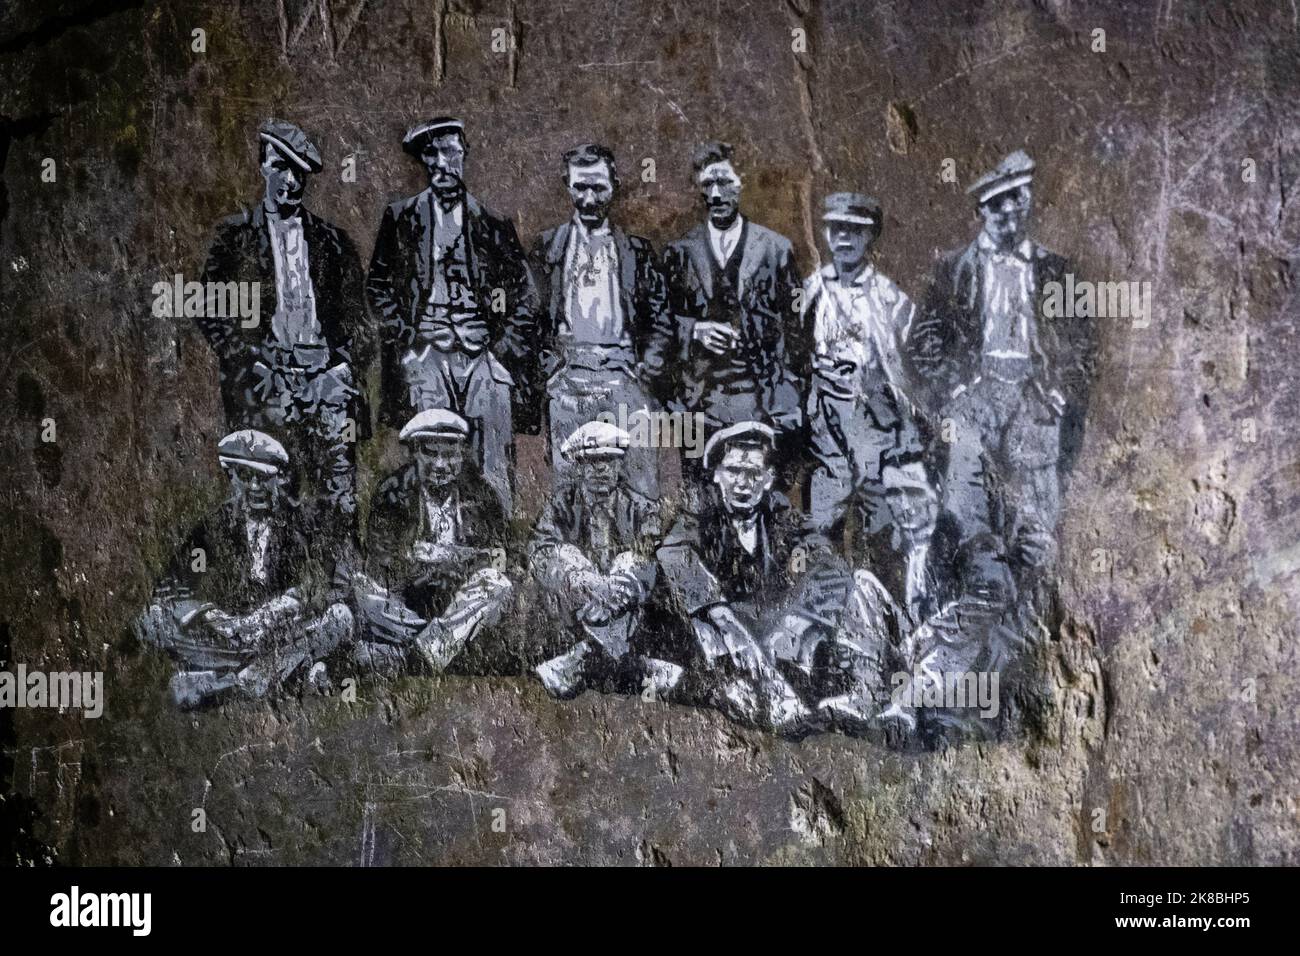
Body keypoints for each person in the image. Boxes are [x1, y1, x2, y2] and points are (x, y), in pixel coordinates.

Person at [909, 150, 1098, 556]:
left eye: (1017, 198)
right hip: (977, 392)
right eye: (997, 203)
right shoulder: (954, 268)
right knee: (964, 499)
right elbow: (923, 341)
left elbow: (1083, 342)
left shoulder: (1057, 270)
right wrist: (954, 391)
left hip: (1035, 391)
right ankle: (977, 585)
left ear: (1028, 201)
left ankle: (1033, 592)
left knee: (1037, 509)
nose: (1008, 211)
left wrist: (1061, 392)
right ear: (980, 210)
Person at [197, 119, 368, 535]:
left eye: (298, 172)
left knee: (338, 493)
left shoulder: (332, 242)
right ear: (262, 168)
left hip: (324, 380)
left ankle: (339, 587)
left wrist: (340, 370)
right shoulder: (234, 239)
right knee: (270, 497)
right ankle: (271, 586)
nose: (289, 181)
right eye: (279, 167)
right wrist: (251, 365)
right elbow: (211, 313)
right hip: (266, 382)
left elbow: (359, 323)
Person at [366, 117, 539, 516]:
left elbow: (525, 296)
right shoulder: (402, 218)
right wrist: (408, 342)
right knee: (434, 447)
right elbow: (378, 288)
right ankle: (433, 538)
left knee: (493, 449)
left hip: (482, 355)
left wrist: (500, 351)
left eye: (450, 152)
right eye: (432, 153)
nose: (442, 162)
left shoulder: (493, 223)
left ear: (464, 154)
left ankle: (496, 543)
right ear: (423, 160)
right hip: (427, 353)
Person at [134, 430, 353, 708]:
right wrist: (209, 614)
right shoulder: (215, 525)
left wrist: (281, 608)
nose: (254, 487)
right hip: (229, 637)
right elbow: (172, 585)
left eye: (262, 478)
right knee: (154, 620)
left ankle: (236, 681)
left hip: (283, 634)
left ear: (280, 478)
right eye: (244, 477)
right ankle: (278, 672)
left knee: (340, 617)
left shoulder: (304, 522)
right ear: (232, 478)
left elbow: (331, 583)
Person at [656, 422, 851, 732]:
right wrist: (721, 615)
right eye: (733, 471)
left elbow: (828, 561)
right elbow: (674, 554)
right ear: (717, 474)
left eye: (753, 474)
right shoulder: (701, 512)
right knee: (705, 634)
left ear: (768, 479)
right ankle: (742, 695)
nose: (743, 484)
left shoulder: (781, 514)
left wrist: (795, 621)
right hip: (725, 635)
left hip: (773, 630)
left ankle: (788, 698)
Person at [529, 144, 674, 499]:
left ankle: (637, 551)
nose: (589, 199)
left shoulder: (636, 252)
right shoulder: (548, 248)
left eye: (599, 187)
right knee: (569, 483)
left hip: (624, 375)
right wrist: (550, 369)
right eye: (580, 187)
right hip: (568, 377)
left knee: (639, 482)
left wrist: (647, 367)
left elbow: (661, 319)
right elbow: (528, 318)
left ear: (616, 185)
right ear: (567, 186)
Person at [657, 142, 802, 485]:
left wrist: (788, 393)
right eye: (708, 185)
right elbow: (660, 322)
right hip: (701, 398)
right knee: (703, 494)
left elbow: (796, 329)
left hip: (760, 396)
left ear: (742, 182)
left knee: (758, 489)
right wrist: (694, 330)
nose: (717, 194)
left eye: (725, 182)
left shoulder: (776, 249)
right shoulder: (679, 251)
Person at [352, 409, 513, 675]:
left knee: (495, 584)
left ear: (462, 454)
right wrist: (427, 568)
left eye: (449, 455)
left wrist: (446, 560)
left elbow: (500, 556)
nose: (439, 465)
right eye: (430, 453)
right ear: (414, 452)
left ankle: (413, 656)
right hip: (408, 601)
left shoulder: (482, 494)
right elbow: (383, 561)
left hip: (459, 600)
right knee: (361, 587)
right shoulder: (393, 491)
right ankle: (437, 648)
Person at [528, 422, 681, 699]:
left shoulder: (641, 507)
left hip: (628, 606)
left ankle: (584, 655)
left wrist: (617, 586)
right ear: (578, 466)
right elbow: (540, 552)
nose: (601, 470)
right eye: (592, 462)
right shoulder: (561, 505)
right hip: (577, 603)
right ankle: (636, 665)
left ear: (620, 466)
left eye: (609, 461)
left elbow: (649, 553)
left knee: (630, 560)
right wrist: (582, 579)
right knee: (568, 555)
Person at [801, 192, 924, 538]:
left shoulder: (888, 296)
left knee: (877, 501)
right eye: (837, 229)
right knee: (826, 501)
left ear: (870, 237)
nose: (844, 239)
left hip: (870, 409)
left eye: (854, 231)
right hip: (824, 409)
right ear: (825, 235)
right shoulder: (811, 290)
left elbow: (912, 359)